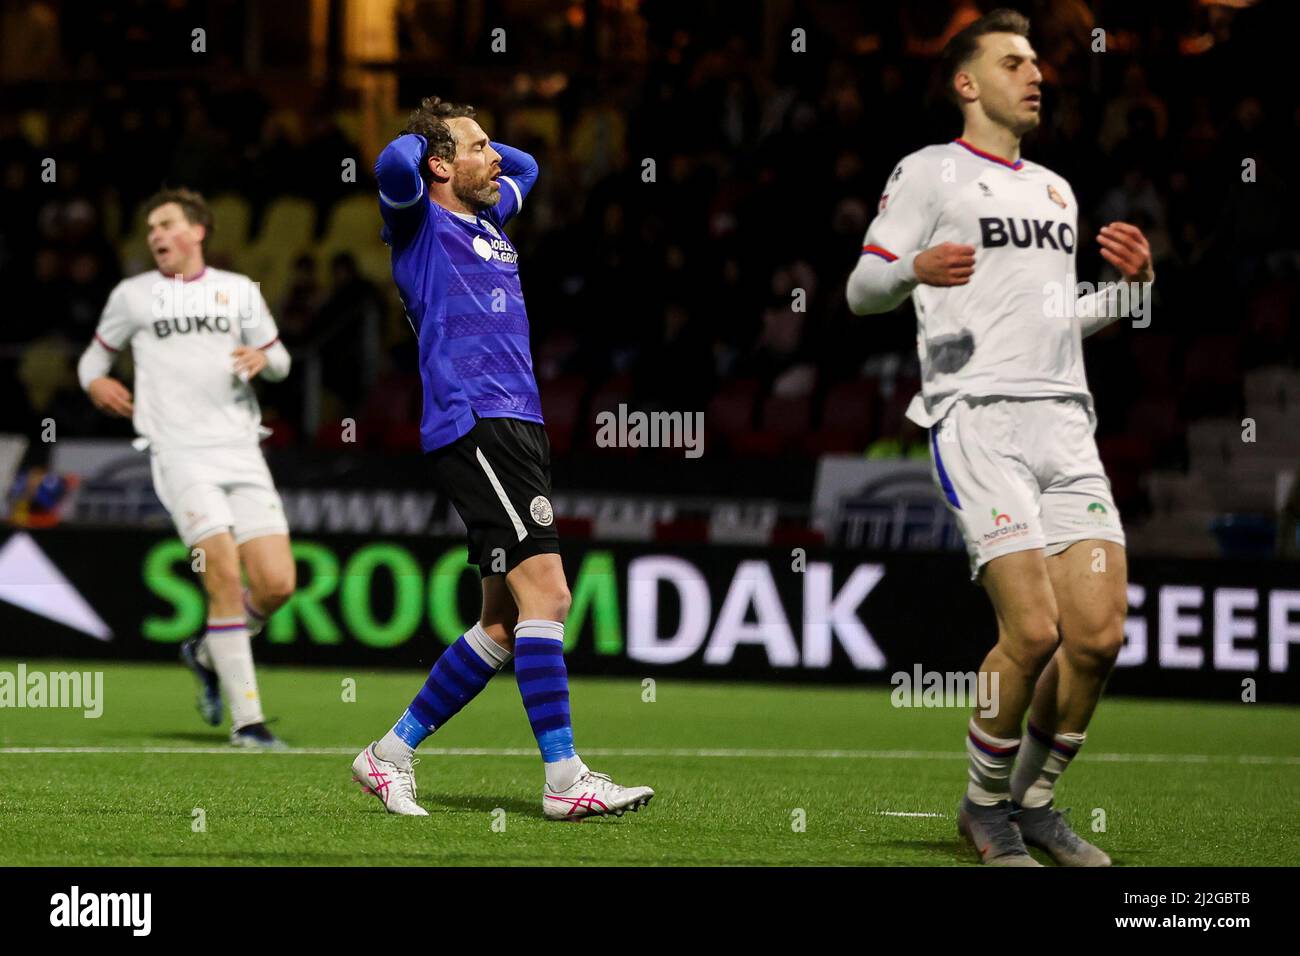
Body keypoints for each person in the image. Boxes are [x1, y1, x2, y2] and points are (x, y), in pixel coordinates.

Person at [846, 9, 1154, 866]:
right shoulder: (930, 172)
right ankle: (983, 809)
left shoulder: (1057, 191)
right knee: (1034, 631)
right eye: (1014, 62)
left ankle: (1035, 804)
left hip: (1066, 423)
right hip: (977, 420)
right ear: (966, 82)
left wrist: (1133, 292)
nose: (1036, 75)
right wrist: (913, 268)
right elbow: (861, 288)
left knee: (1095, 638)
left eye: (1038, 64)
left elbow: (1061, 322)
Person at [352, 96, 654, 820]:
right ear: (438, 165)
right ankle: (564, 780)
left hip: (517, 423)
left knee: (504, 624)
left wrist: (472, 150)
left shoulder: (487, 221)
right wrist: (434, 143)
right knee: (549, 595)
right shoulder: (417, 221)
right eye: (477, 145)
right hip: (476, 420)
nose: (497, 156)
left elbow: (530, 166)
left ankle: (388, 756)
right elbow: (391, 160)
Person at [78, 187, 297, 749]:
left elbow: (281, 360)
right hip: (178, 453)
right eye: (150, 227)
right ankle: (248, 721)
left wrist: (260, 358)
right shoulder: (133, 296)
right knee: (222, 571)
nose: (155, 234)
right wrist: (96, 381)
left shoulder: (238, 291)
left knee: (276, 585)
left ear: (197, 231)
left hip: (242, 449)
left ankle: (203, 653)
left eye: (166, 223)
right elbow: (92, 360)